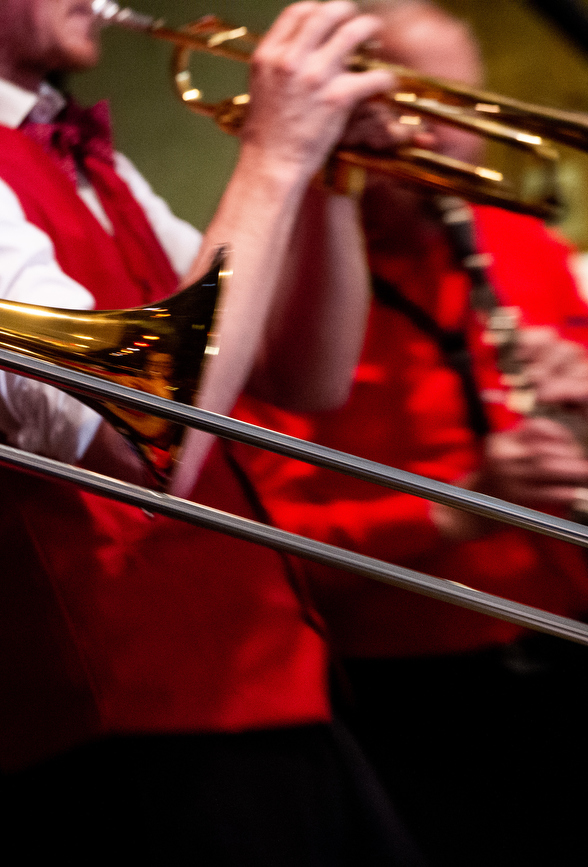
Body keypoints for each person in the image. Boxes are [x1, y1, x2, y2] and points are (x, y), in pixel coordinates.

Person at [0, 1, 424, 863]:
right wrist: (275, 155)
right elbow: (147, 437)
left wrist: (329, 176)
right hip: (134, 736)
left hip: (275, 689)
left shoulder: (69, 148)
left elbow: (304, 371)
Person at [235, 2, 588, 863]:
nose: (454, 141)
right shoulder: (281, 293)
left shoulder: (522, 240)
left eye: (468, 107)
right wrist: (453, 509)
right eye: (426, 106)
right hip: (417, 691)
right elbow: (271, 543)